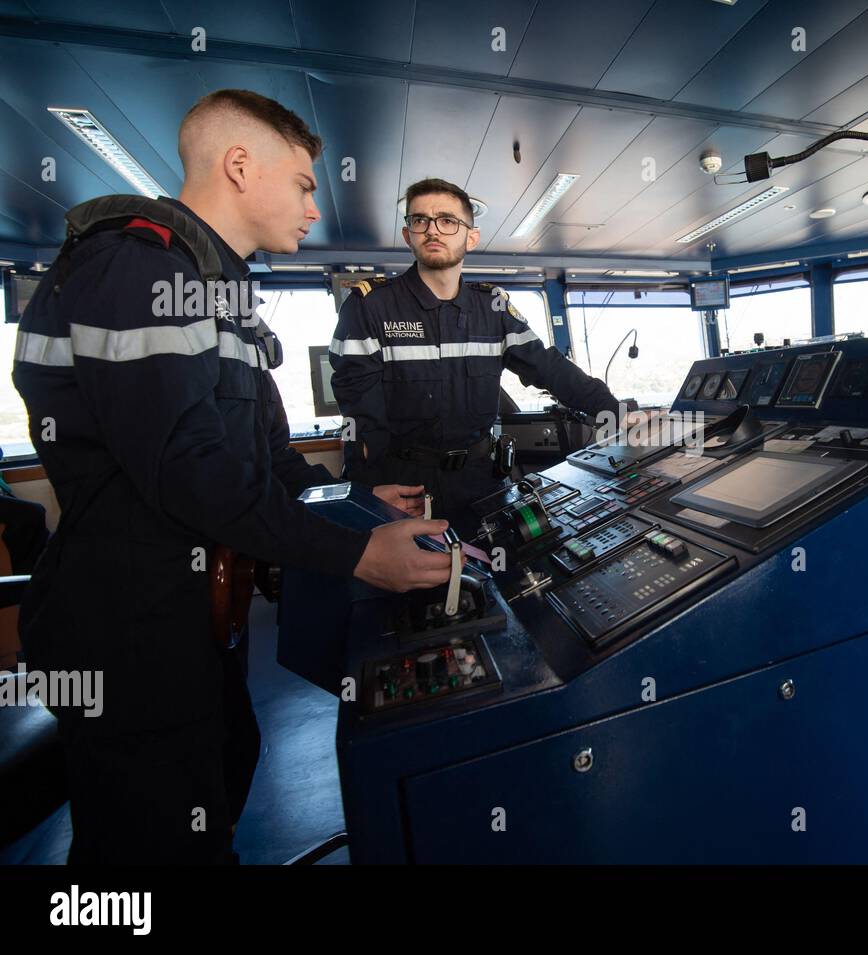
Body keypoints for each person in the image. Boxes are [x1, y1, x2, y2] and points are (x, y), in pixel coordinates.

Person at [12, 89, 451, 864]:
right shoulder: (137, 266)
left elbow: (263, 454)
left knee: (221, 777)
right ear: (240, 165)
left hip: (193, 616)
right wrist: (355, 553)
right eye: (306, 184)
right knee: (145, 846)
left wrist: (359, 504)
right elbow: (190, 472)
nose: (315, 208)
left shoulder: (216, 294)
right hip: (124, 625)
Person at [329, 177, 624, 529]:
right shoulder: (370, 306)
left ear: (471, 236)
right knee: (425, 582)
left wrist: (616, 413)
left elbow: (549, 367)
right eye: (420, 220)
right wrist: (370, 491)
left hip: (482, 481)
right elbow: (360, 417)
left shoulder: (493, 308)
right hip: (406, 488)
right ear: (408, 235)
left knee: (499, 575)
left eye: (448, 221)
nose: (432, 230)